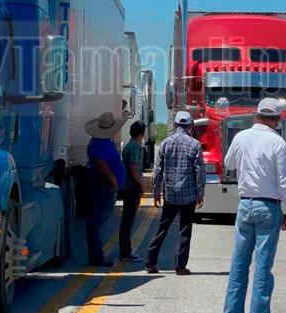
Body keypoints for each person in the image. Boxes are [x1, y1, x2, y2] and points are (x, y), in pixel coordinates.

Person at [222, 98, 286, 313]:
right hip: (268, 207)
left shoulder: (240, 137)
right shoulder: (277, 143)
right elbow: (285, 183)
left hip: (245, 204)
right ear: (277, 119)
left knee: (239, 261)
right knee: (263, 264)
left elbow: (229, 164)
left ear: (256, 116)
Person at [146, 111, 205, 275]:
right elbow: (199, 172)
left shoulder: (166, 143)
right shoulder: (194, 144)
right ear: (190, 126)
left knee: (162, 228)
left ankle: (150, 262)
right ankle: (180, 266)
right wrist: (200, 192)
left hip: (170, 194)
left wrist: (156, 192)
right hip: (189, 195)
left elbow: (157, 170)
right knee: (185, 230)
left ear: (175, 125)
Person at [84, 112, 128, 267]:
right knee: (98, 221)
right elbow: (101, 163)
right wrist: (112, 178)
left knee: (98, 221)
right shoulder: (100, 143)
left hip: (101, 185)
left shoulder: (100, 141)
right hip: (102, 185)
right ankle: (97, 256)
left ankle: (97, 255)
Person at [119, 120, 146, 262]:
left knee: (126, 221)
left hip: (127, 186)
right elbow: (133, 168)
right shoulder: (135, 147)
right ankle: (125, 252)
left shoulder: (128, 146)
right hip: (132, 187)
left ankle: (125, 250)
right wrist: (142, 184)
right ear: (141, 134)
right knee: (128, 221)